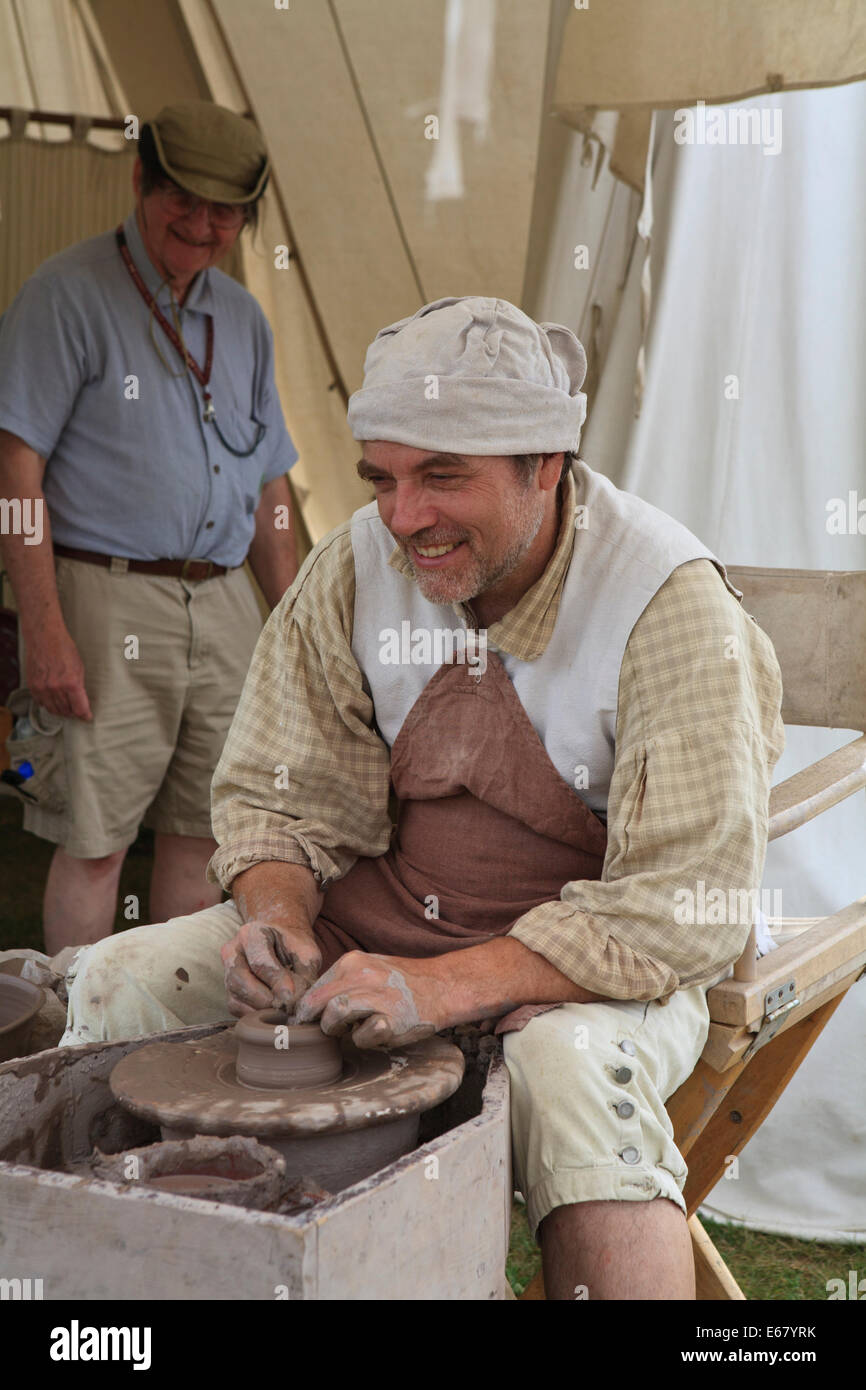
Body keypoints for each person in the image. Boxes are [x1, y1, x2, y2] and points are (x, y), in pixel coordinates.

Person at [60, 296, 785, 1299]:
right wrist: (277, 919)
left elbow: (679, 907)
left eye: (443, 476)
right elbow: (279, 797)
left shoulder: (662, 603)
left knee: (570, 1081)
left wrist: (448, 987)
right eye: (383, 478)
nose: (404, 518)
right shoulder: (357, 566)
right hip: (379, 934)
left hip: (598, 974)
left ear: (543, 464)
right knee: (115, 980)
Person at [0, 101, 299, 953]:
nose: (203, 226)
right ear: (141, 180)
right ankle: (73, 1056)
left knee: (205, 839)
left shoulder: (243, 318)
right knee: (93, 844)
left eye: (225, 211)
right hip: (104, 597)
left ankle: (163, 1040)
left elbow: (272, 487)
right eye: (185, 200)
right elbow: (14, 473)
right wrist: (43, 626)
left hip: (228, 602)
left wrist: (290, 629)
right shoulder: (66, 294)